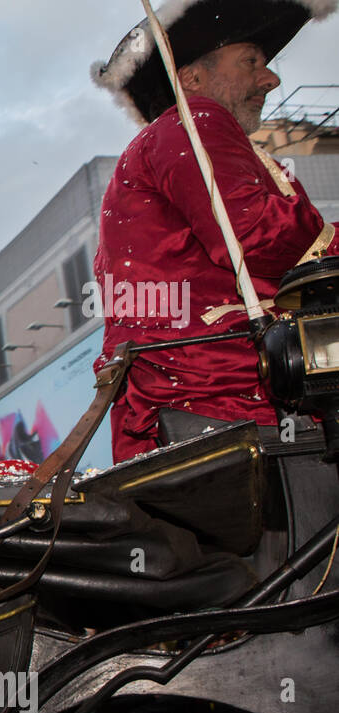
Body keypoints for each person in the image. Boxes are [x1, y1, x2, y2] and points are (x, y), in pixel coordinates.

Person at [91, 0, 339, 462]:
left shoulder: (171, 137)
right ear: (191, 78)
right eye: (251, 62)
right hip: (229, 400)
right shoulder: (196, 121)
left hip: (192, 406)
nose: (270, 79)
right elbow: (258, 237)